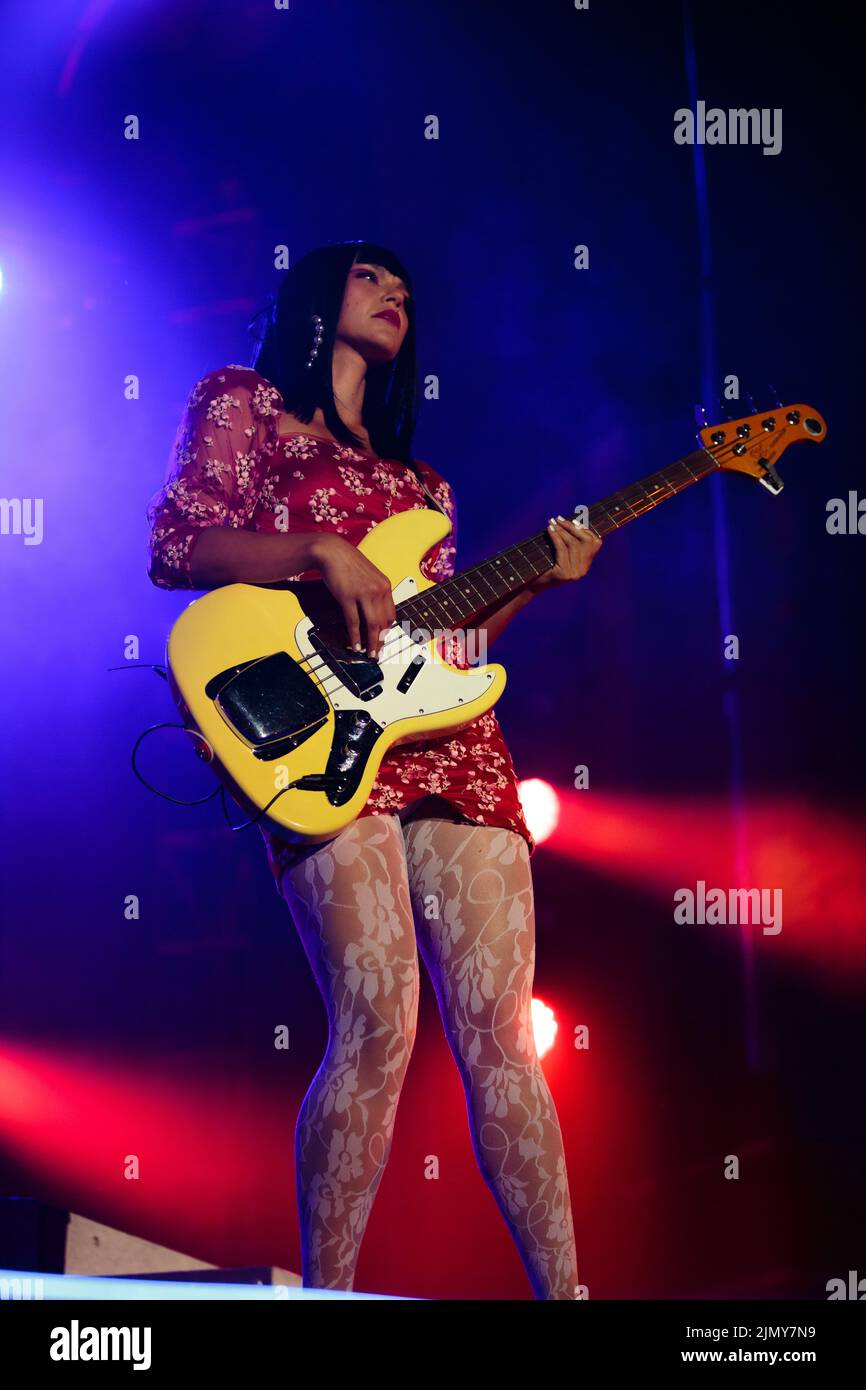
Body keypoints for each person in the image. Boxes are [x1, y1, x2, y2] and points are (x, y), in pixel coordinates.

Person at [146, 241, 602, 1298]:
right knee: (379, 1021)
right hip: (314, 735)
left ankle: (568, 1297)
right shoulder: (243, 402)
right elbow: (180, 542)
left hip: (451, 748)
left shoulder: (419, 485)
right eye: (370, 277)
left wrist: (539, 577)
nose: (397, 292)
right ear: (316, 296)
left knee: (502, 1041)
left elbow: (439, 646)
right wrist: (317, 550)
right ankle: (329, 1297)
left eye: (405, 286)